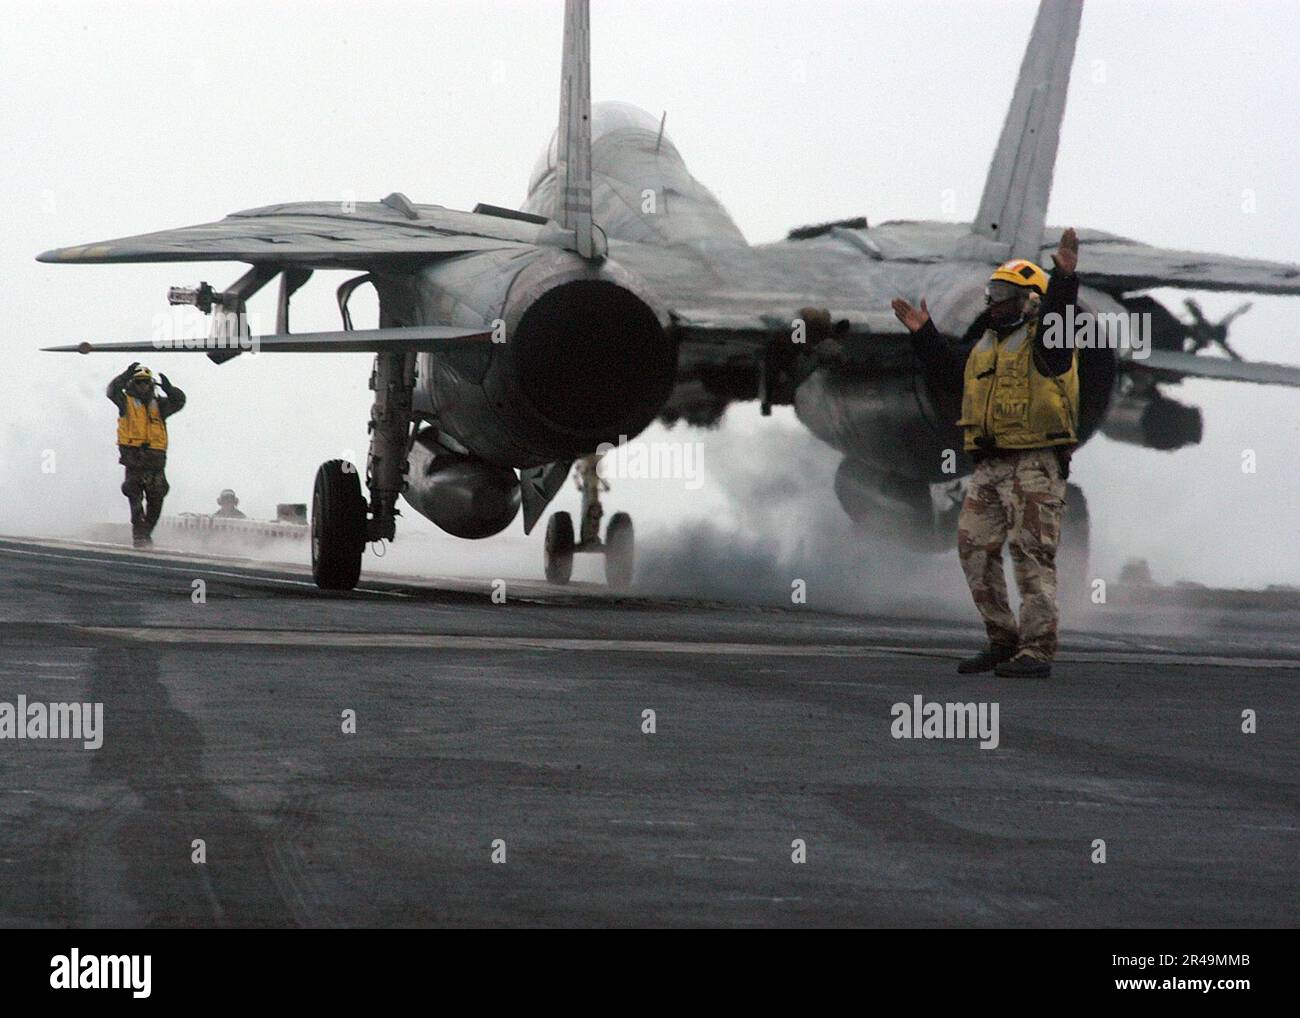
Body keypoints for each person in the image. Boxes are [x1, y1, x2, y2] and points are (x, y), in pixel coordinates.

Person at [891, 228, 1080, 678]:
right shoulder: (985, 347)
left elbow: (1059, 320)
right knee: (973, 550)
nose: (993, 301)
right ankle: (1002, 640)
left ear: (1031, 300)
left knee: (1031, 556)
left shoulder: (1050, 344)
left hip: (1035, 465)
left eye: (1004, 294)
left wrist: (1065, 281)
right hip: (990, 466)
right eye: (992, 292)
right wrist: (924, 335)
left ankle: (1037, 650)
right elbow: (951, 370)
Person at [106, 364, 186, 548]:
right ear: (132, 384)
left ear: (152, 385)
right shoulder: (125, 402)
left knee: (157, 499)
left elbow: (180, 402)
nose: (143, 386)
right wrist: (124, 375)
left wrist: (170, 389)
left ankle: (145, 532)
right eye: (139, 382)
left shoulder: (160, 405)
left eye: (146, 383)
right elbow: (111, 391)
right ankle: (139, 535)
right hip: (134, 460)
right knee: (134, 497)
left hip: (155, 462)